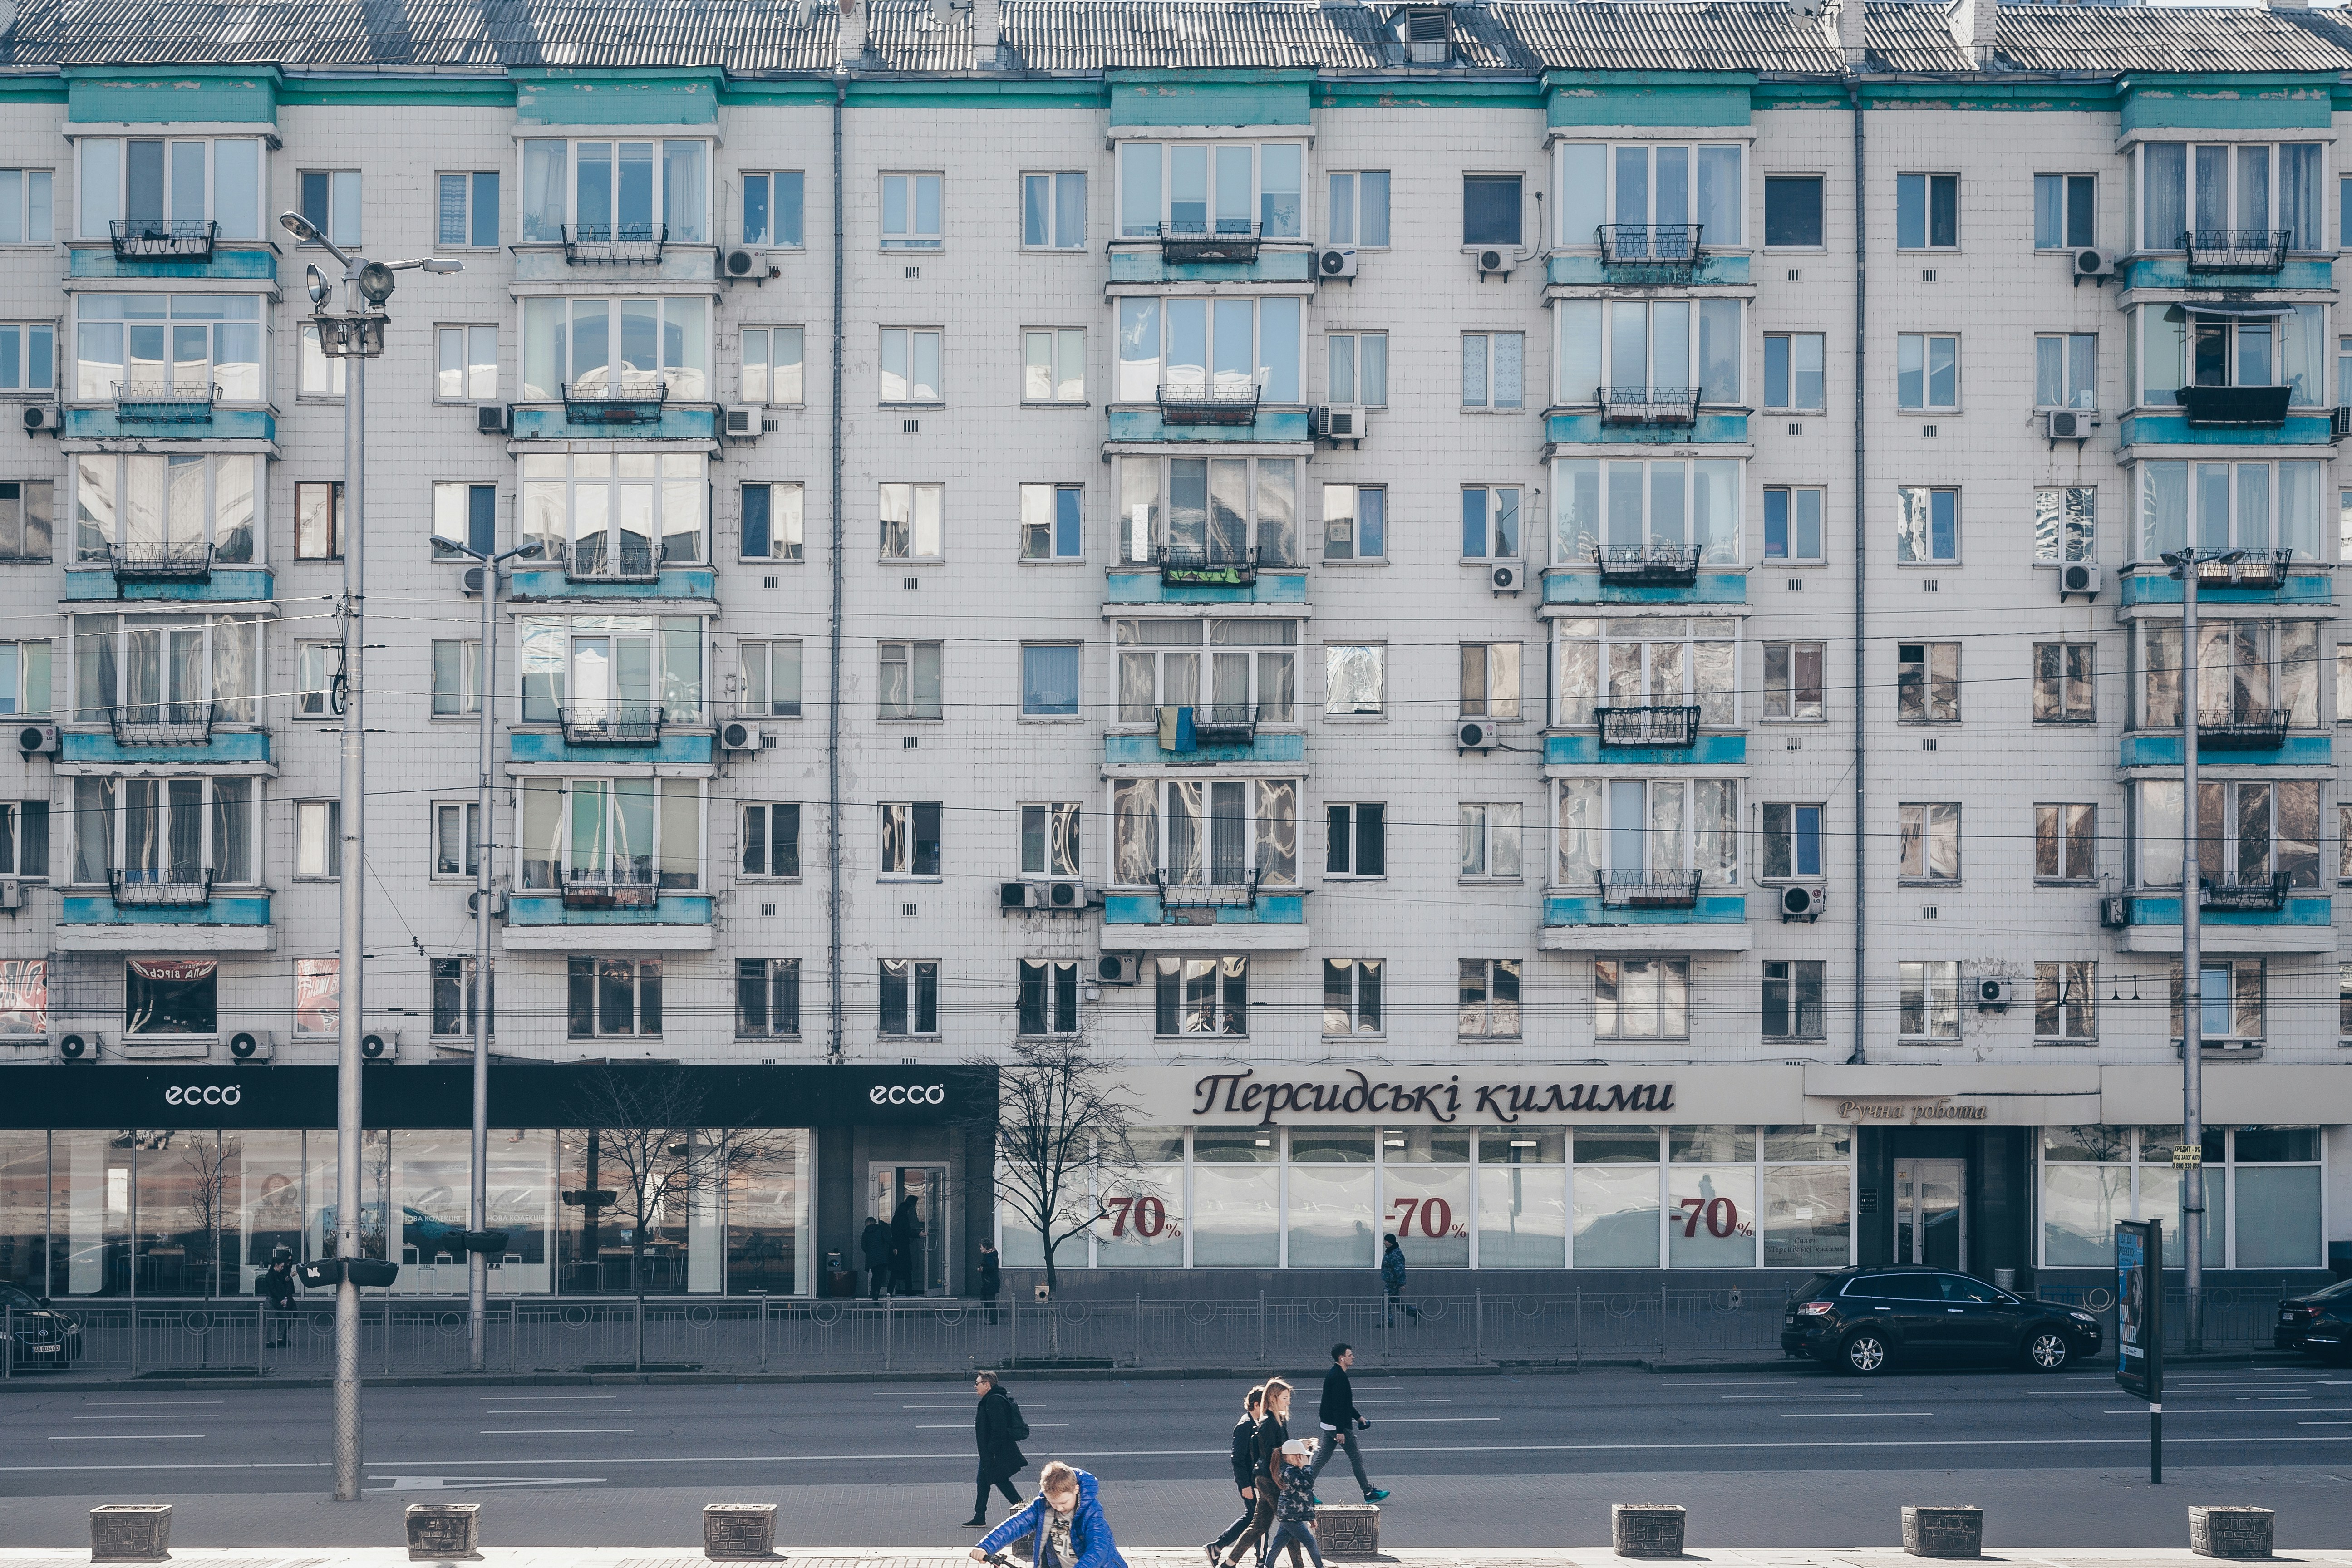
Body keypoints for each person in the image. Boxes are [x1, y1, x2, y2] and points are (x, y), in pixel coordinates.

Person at [971, 1459, 1127, 1568]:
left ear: (1076, 1490)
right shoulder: (1043, 1506)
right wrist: (986, 1546)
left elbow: (1098, 1549)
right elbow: (1017, 1524)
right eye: (1053, 1503)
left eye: (1064, 1503)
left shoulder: (1091, 1514)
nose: (1058, 1508)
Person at [1217, 1376, 1290, 1568]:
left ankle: (1230, 1563)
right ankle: (1294, 1564)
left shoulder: (1277, 1419)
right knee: (1290, 1521)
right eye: (1284, 1397)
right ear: (1274, 1399)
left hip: (1269, 1476)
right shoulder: (1264, 1422)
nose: (1288, 1401)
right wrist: (1245, 1485)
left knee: (1258, 1525)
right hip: (1268, 1478)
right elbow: (1268, 1453)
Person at [1309, 1343, 1388, 1504]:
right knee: (1356, 1458)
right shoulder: (1338, 1377)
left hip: (1329, 1424)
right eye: (1350, 1355)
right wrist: (1340, 1431)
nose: (1353, 1357)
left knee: (1322, 1458)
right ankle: (1368, 1492)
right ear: (1342, 1358)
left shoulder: (1337, 1374)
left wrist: (1359, 1417)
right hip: (1337, 1426)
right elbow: (1338, 1407)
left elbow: (1344, 1404)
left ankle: (1304, 1490)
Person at [1204, 1385, 1265, 1566]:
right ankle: (1261, 1559)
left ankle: (1217, 1547)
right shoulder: (1246, 1426)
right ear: (1256, 1405)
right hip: (1250, 1482)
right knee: (1259, 1520)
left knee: (1252, 1518)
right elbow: (1237, 1459)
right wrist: (1245, 1485)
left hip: (1253, 1480)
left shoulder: (1255, 1422)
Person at [964, 1370, 1028, 1528]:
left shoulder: (994, 1402)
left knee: (1001, 1481)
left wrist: (991, 1451)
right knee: (983, 1482)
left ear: (987, 1385)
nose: (975, 1387)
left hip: (995, 1452)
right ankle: (980, 1516)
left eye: (978, 1383)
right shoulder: (990, 1400)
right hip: (990, 1452)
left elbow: (998, 1430)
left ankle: (1025, 1511)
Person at [1265, 1439, 1327, 1568]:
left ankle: (1268, 1566)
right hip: (1291, 1517)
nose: (1304, 1459)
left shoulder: (1291, 1470)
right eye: (1302, 1456)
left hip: (1290, 1515)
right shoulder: (1290, 1472)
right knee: (1310, 1542)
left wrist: (1311, 1518)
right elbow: (1307, 1485)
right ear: (1293, 1457)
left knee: (1278, 1544)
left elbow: (1304, 1498)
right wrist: (1307, 1467)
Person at [256, 1244, 299, 1348]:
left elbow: (283, 1283)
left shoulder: (278, 1275)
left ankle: (280, 1338)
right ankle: (268, 1341)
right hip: (272, 1301)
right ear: (277, 1265)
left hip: (278, 1300)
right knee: (270, 1321)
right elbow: (273, 1289)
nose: (283, 1268)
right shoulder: (270, 1275)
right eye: (282, 1266)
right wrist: (281, 1299)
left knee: (284, 1318)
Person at [1379, 1233, 1420, 1326]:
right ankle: (1415, 1313)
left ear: (1391, 1242)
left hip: (1393, 1283)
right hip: (1391, 1281)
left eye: (1386, 1241)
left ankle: (1387, 1323)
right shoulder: (1391, 1251)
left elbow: (1399, 1269)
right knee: (1396, 1301)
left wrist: (1401, 1284)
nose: (1384, 1243)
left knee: (1385, 1300)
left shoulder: (1395, 1253)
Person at [892, 1193, 924, 1294]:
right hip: (903, 1246)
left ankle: (890, 1291)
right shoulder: (904, 1218)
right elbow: (908, 1231)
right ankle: (909, 1290)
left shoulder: (896, 1218)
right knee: (906, 1269)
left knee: (896, 1270)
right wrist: (919, 1234)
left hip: (897, 1246)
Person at [861, 1214, 892, 1301]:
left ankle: (872, 1293)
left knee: (875, 1275)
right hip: (881, 1257)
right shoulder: (880, 1230)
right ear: (874, 1223)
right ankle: (876, 1295)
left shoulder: (865, 1234)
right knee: (879, 1277)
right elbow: (887, 1240)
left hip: (871, 1259)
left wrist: (870, 1252)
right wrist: (894, 1247)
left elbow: (863, 1247)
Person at [977, 1238, 1004, 1325]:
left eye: (981, 1247)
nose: (980, 1249)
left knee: (989, 1301)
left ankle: (992, 1319)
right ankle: (990, 1318)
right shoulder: (991, 1255)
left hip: (990, 1282)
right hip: (990, 1282)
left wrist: (982, 1269)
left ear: (986, 1247)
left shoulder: (989, 1256)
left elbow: (992, 1267)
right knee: (987, 1299)